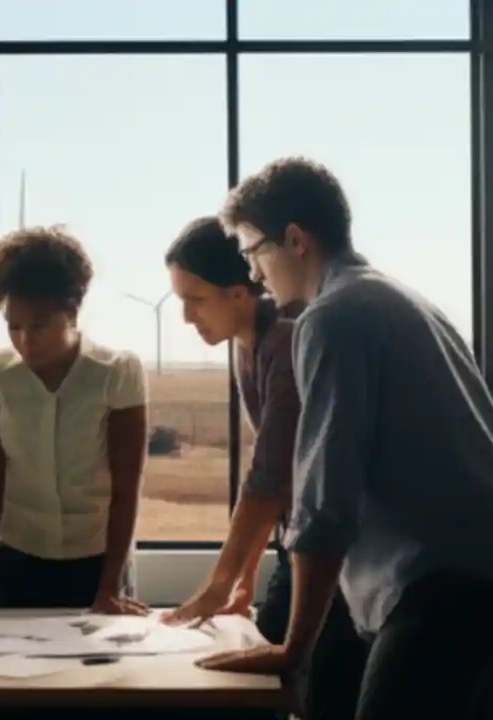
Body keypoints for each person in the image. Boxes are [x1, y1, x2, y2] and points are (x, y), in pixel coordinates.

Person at [197, 156, 493, 719]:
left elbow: (326, 501)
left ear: (295, 240)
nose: (254, 276)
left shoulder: (332, 319)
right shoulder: (400, 299)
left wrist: (294, 650)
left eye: (253, 254)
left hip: (453, 580)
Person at [159, 216, 367, 720]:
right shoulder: (244, 346)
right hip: (298, 542)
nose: (185, 316)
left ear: (238, 294)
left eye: (195, 299)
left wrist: (215, 587)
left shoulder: (291, 340)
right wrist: (243, 579)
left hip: (341, 552)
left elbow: (270, 476)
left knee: (317, 690)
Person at [0, 225, 149, 614]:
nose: (25, 340)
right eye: (13, 326)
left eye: (40, 324)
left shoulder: (117, 371)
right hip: (17, 558)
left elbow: (126, 487)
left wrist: (109, 589)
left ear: (73, 312)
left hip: (99, 562)